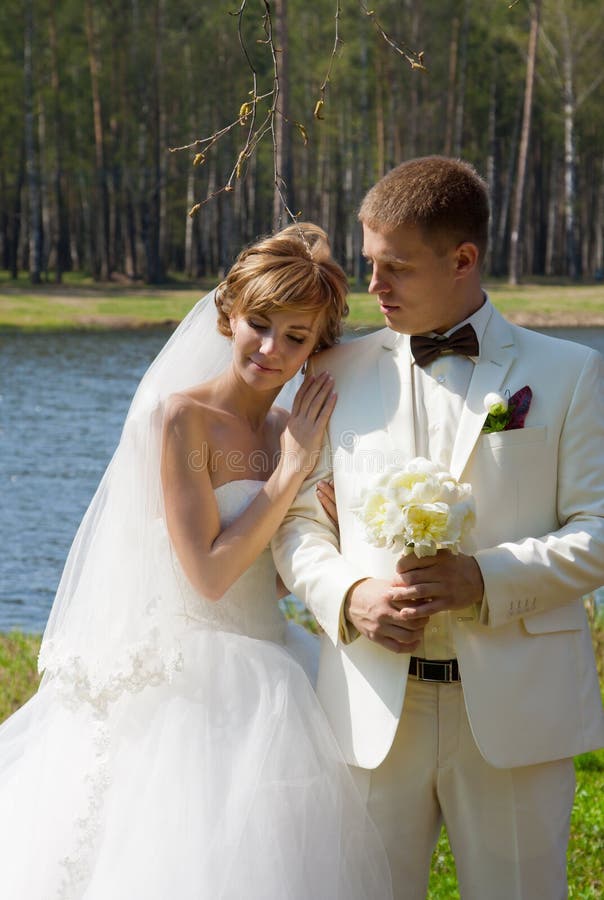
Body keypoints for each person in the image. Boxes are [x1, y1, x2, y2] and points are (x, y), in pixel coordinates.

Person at [0, 223, 393, 899]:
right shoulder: (178, 418)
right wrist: (290, 475)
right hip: (190, 675)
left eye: (296, 337)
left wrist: (323, 516)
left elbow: (266, 573)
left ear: (315, 348)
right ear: (228, 315)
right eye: (259, 325)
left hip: (274, 655)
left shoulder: (285, 428)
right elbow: (209, 576)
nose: (271, 350)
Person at [272, 157, 604, 899]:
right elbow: (295, 520)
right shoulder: (333, 369)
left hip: (520, 713)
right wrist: (349, 596)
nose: (372, 288)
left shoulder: (568, 374)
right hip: (369, 708)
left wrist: (484, 579)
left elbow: (598, 528)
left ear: (463, 260)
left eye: (395, 268)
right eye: (368, 265)